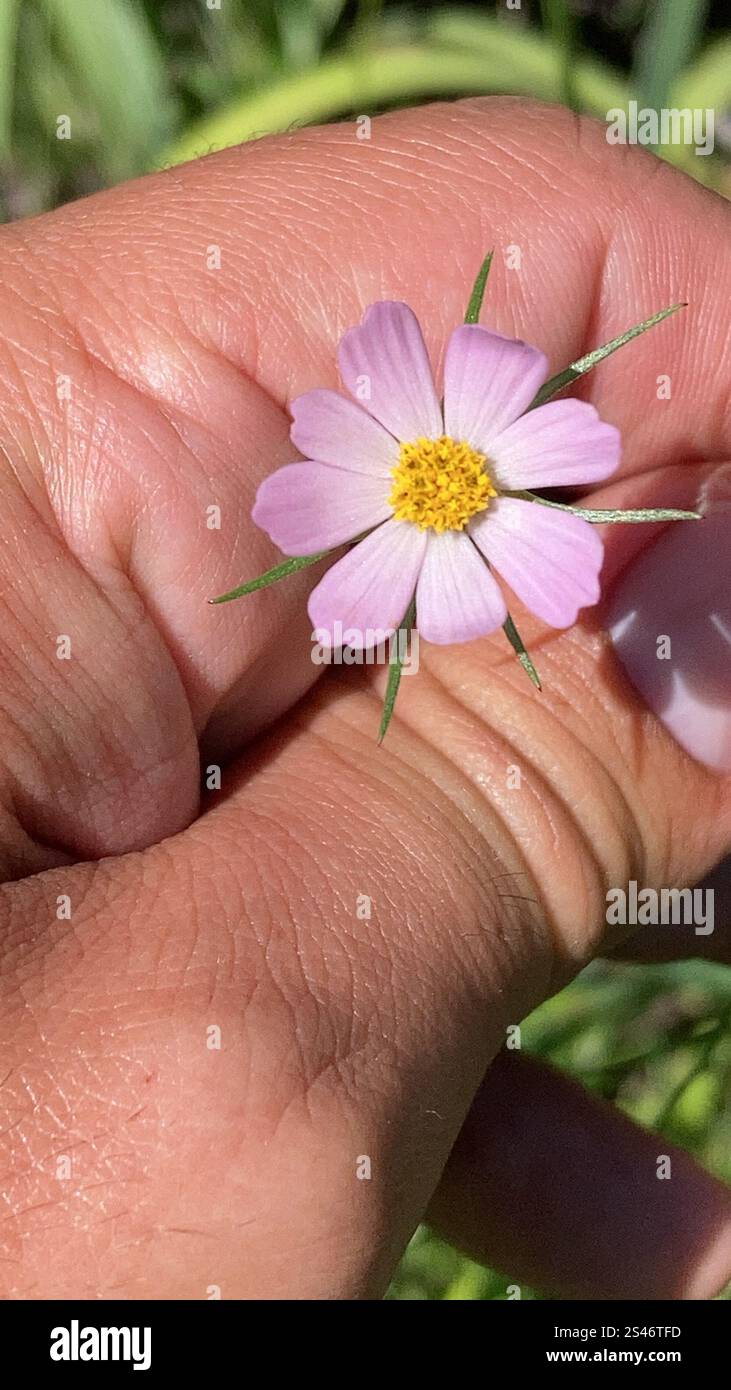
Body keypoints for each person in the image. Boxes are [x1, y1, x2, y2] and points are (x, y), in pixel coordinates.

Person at [0, 98, 729, 1300]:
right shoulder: (379, 526)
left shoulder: (466, 478)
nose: (435, 473)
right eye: (420, 470)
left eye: (439, 469)